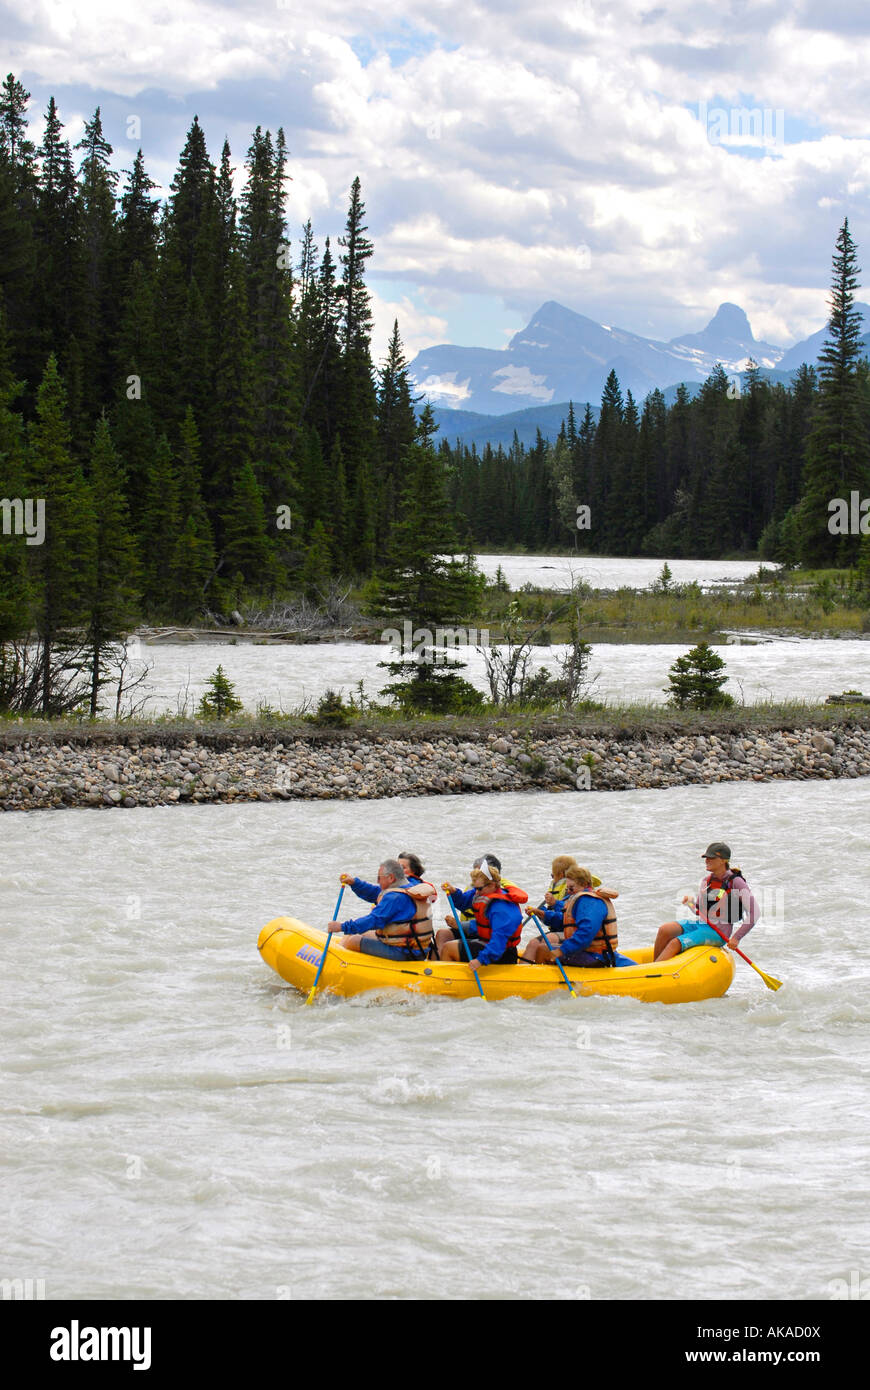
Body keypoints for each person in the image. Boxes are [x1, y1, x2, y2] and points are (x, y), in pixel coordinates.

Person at [653, 842, 760, 962]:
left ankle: (653, 974)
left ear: (723, 860)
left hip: (718, 933)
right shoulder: (706, 881)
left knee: (675, 943)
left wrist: (736, 938)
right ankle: (652, 969)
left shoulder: (736, 882)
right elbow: (700, 912)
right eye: (706, 857)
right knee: (664, 930)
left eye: (711, 858)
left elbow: (754, 913)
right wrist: (691, 903)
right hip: (701, 924)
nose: (707, 860)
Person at [522, 864, 632, 968]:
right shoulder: (580, 899)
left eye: (571, 888)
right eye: (567, 889)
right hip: (588, 952)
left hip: (598, 956)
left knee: (543, 950)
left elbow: (586, 933)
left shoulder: (589, 901)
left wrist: (561, 950)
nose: (568, 892)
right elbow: (562, 920)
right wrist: (541, 913)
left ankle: (544, 983)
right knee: (545, 947)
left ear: (584, 884)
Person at [327, 859, 434, 959]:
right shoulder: (411, 888)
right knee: (359, 932)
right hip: (420, 950)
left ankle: (337, 961)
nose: (378, 881)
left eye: (379, 877)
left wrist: (341, 927)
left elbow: (373, 921)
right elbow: (375, 892)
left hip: (404, 953)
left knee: (354, 940)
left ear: (391, 878)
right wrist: (354, 883)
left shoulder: (394, 898)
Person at [440, 857, 528, 969]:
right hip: (486, 942)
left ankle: (448, 982)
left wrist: (480, 960)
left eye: (479, 889)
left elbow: (498, 943)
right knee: (444, 936)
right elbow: (463, 902)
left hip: (502, 954)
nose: (476, 892)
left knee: (449, 947)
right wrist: (453, 891)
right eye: (475, 888)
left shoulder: (501, 908)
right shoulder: (483, 893)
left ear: (492, 885)